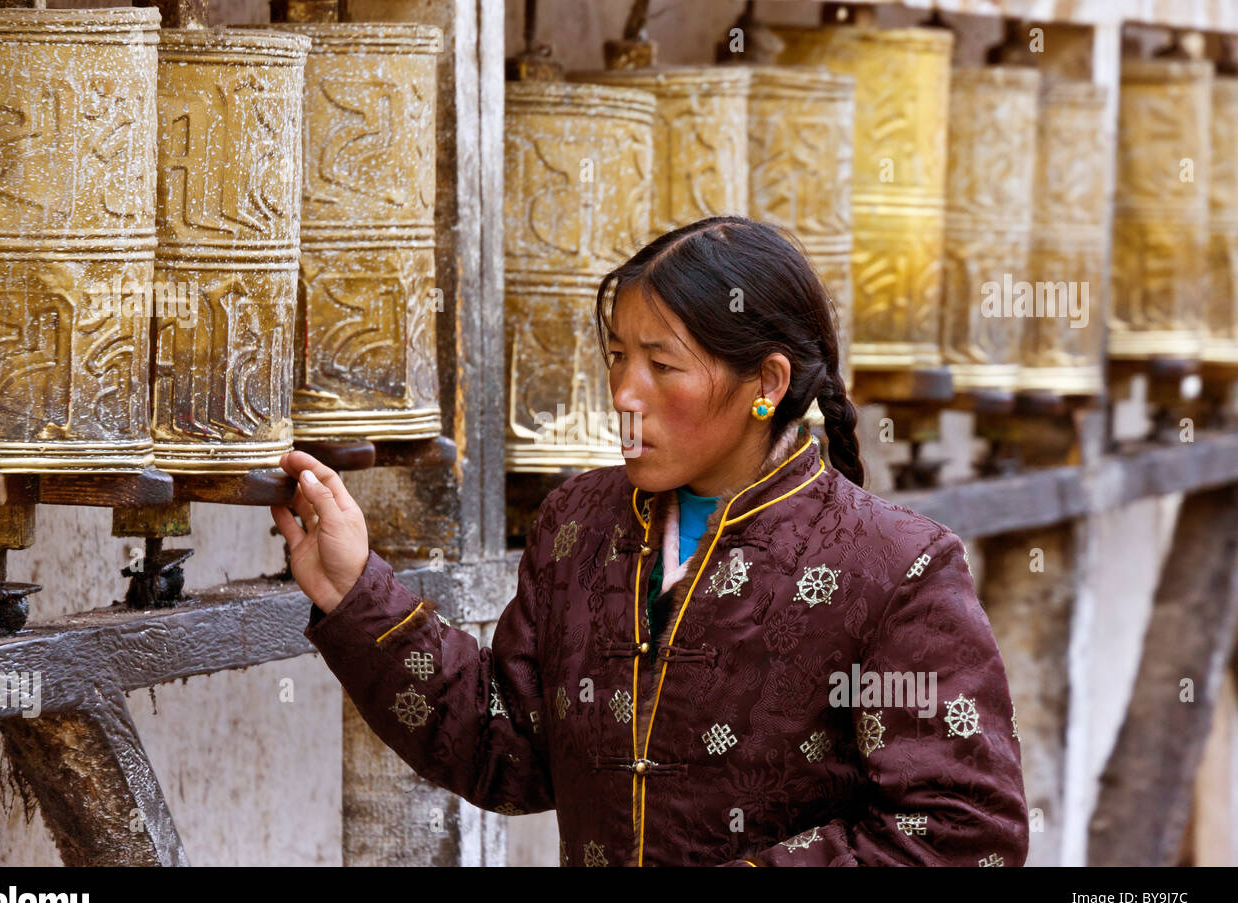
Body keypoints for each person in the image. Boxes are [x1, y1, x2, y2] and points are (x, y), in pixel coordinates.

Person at [273, 215, 1030, 867]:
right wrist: (353, 590)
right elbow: (509, 749)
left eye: (662, 365)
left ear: (766, 384)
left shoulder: (897, 568)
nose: (624, 394)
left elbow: (964, 834)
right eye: (616, 357)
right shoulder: (579, 525)